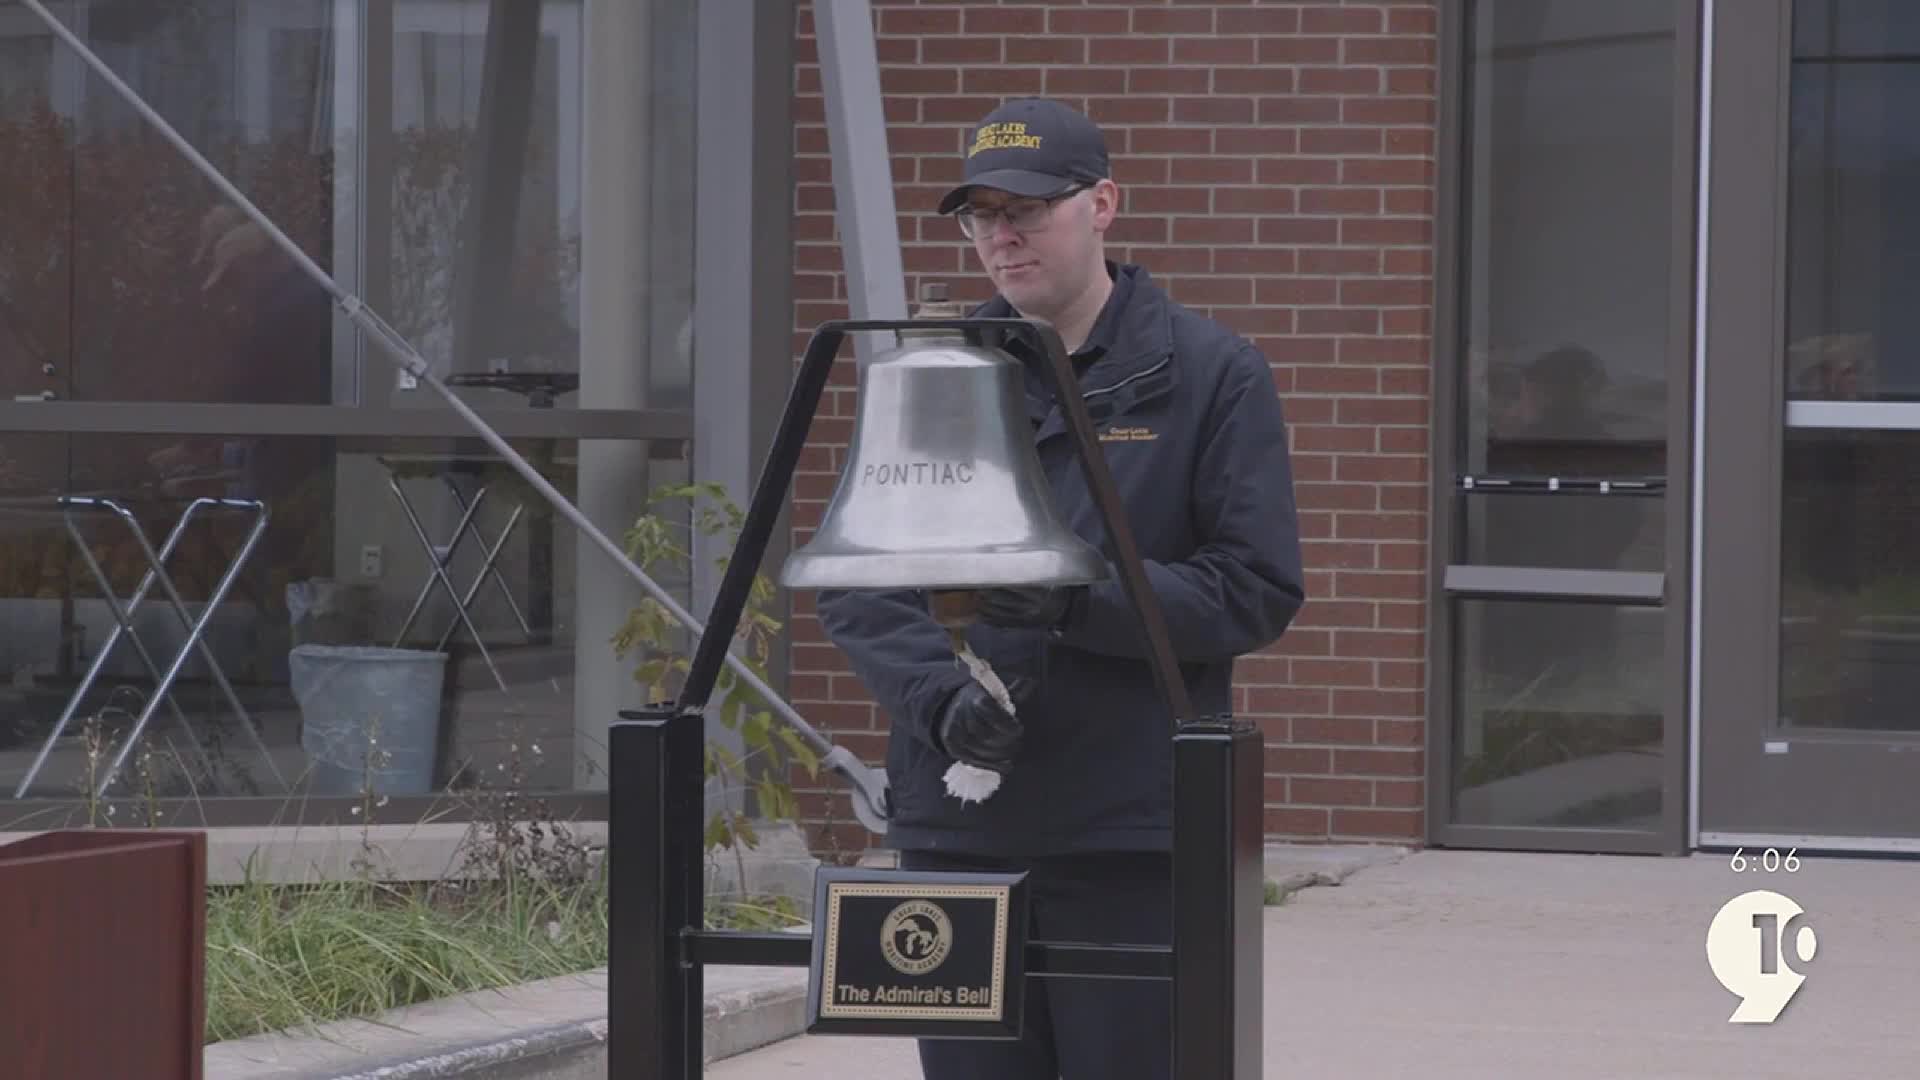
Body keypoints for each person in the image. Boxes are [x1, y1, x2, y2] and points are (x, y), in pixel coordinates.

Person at [816, 97, 1306, 1080]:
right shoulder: (937, 374)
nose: (1002, 234)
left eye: (1028, 209)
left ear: (1103, 205)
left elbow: (1252, 587)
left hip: (1124, 834)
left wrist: (1082, 602)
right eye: (981, 214)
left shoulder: (1211, 375)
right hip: (960, 831)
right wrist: (940, 701)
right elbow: (859, 578)